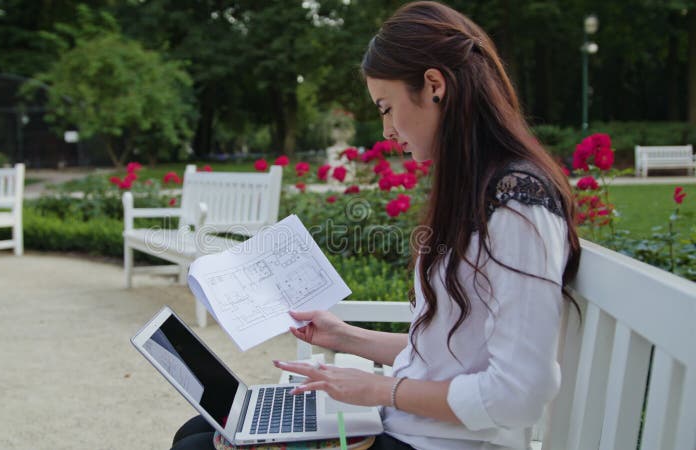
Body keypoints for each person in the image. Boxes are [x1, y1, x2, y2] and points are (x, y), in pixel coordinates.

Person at [172, 1, 580, 449]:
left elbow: (518, 395)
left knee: (196, 445)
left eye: (386, 107)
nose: (385, 129)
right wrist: (345, 337)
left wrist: (376, 390)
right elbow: (444, 354)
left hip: (437, 443)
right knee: (204, 429)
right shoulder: (482, 191)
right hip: (411, 430)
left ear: (434, 86)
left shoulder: (517, 207)